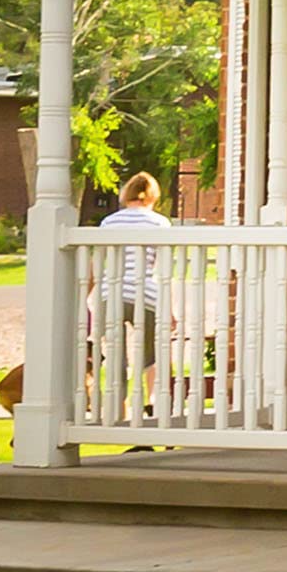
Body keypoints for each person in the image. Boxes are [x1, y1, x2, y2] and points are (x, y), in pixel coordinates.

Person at [96, 171, 171, 417]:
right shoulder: (159, 223)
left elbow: (98, 265)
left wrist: (88, 299)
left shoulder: (109, 222)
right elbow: (163, 271)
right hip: (146, 293)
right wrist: (170, 310)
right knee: (153, 351)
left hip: (112, 293)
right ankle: (152, 402)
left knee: (116, 354)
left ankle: (118, 409)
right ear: (152, 196)